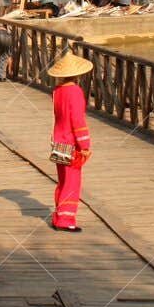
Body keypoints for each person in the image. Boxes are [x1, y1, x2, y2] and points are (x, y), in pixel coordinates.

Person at [47, 52, 94, 232]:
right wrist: (85, 145)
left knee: (62, 180)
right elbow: (77, 121)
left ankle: (58, 215)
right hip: (71, 142)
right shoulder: (75, 92)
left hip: (58, 140)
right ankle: (65, 220)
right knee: (72, 182)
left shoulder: (57, 92)